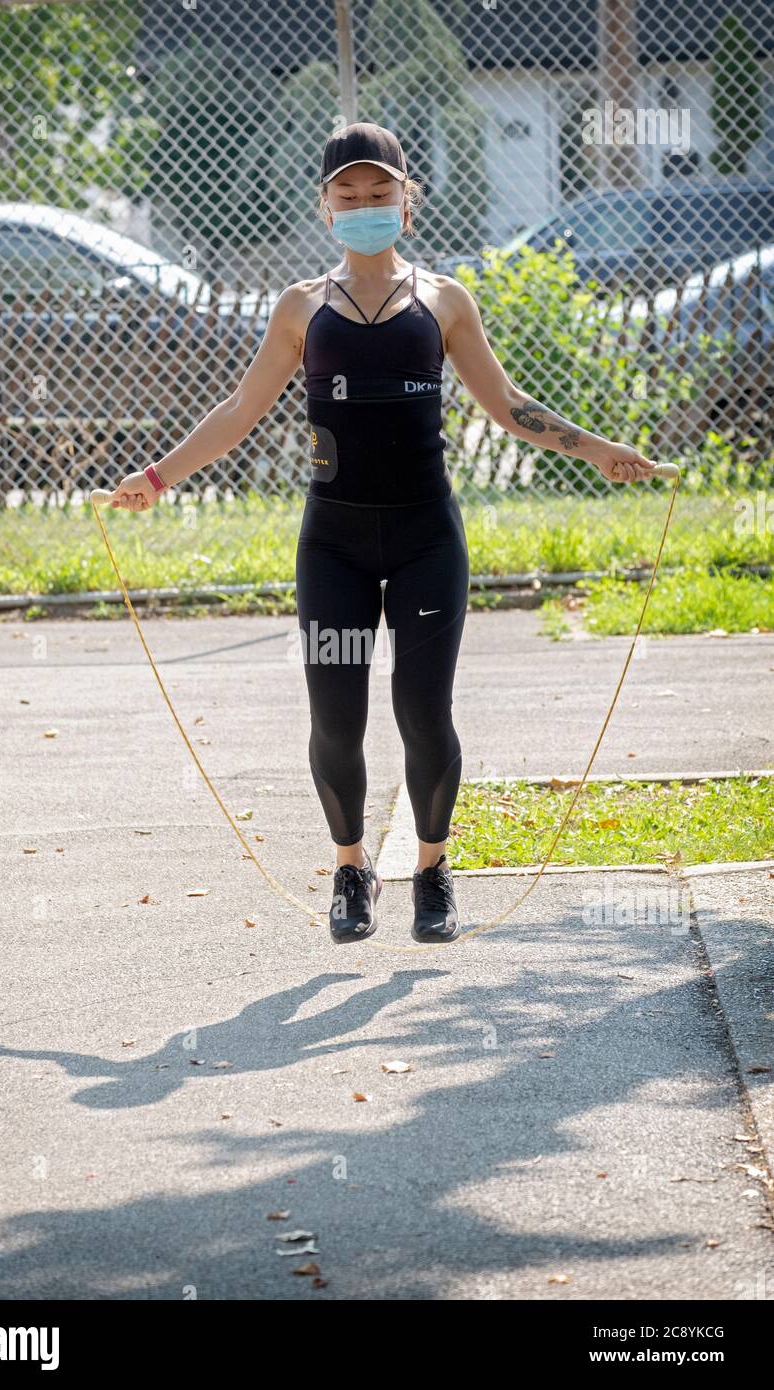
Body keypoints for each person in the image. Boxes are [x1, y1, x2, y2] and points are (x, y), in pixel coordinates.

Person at [106, 122, 656, 946]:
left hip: (428, 539)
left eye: (380, 192)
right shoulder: (301, 307)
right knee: (336, 716)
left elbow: (509, 408)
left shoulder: (444, 301)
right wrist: (157, 477)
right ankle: (352, 868)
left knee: (423, 713)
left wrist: (601, 449)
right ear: (326, 207)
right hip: (333, 545)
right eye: (349, 195)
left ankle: (432, 872)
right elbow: (239, 412)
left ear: (408, 199)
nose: (366, 206)